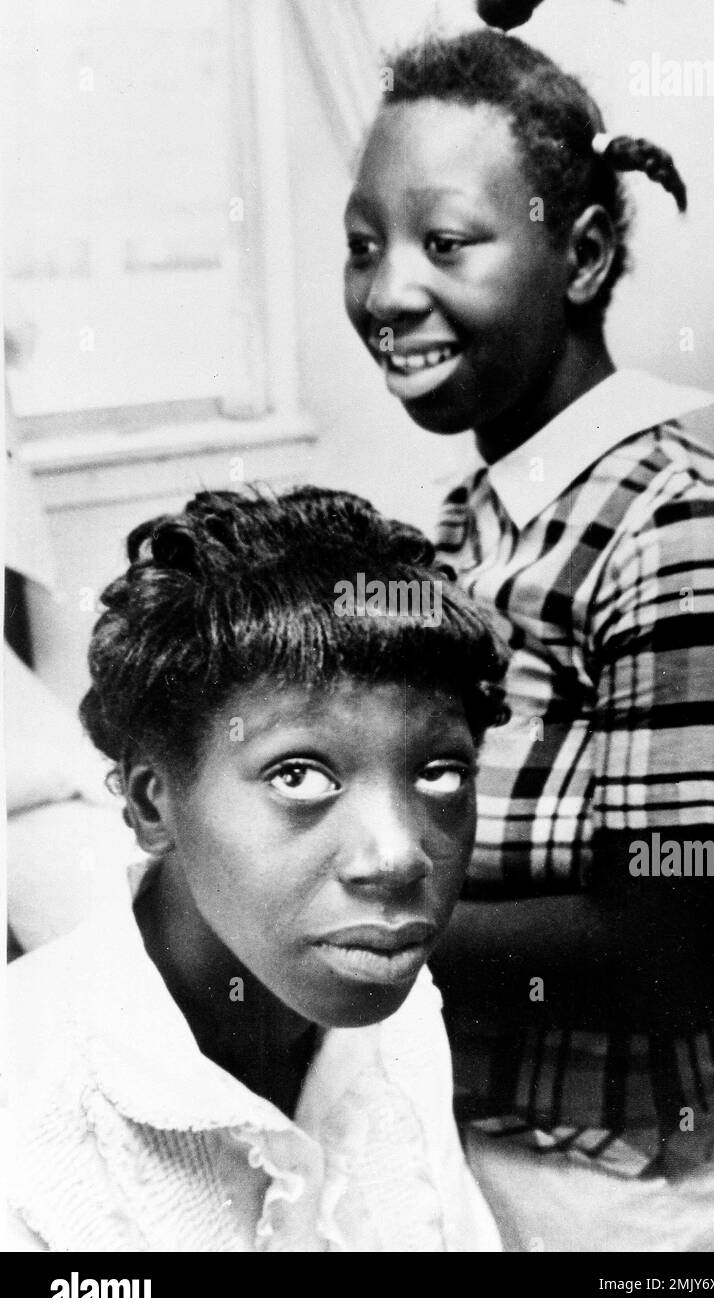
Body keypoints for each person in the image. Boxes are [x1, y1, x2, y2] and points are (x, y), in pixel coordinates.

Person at [343, 0, 714, 1250]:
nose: (385, 292)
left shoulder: (682, 526)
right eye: (363, 245)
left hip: (625, 1188)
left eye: (447, 240)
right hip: (464, 1130)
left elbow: (667, 949)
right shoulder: (459, 525)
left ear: (580, 254)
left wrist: (329, 930)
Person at [8, 485, 509, 1252]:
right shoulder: (26, 1115)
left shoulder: (398, 1010)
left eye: (439, 772)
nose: (400, 855)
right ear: (153, 805)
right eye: (299, 775)